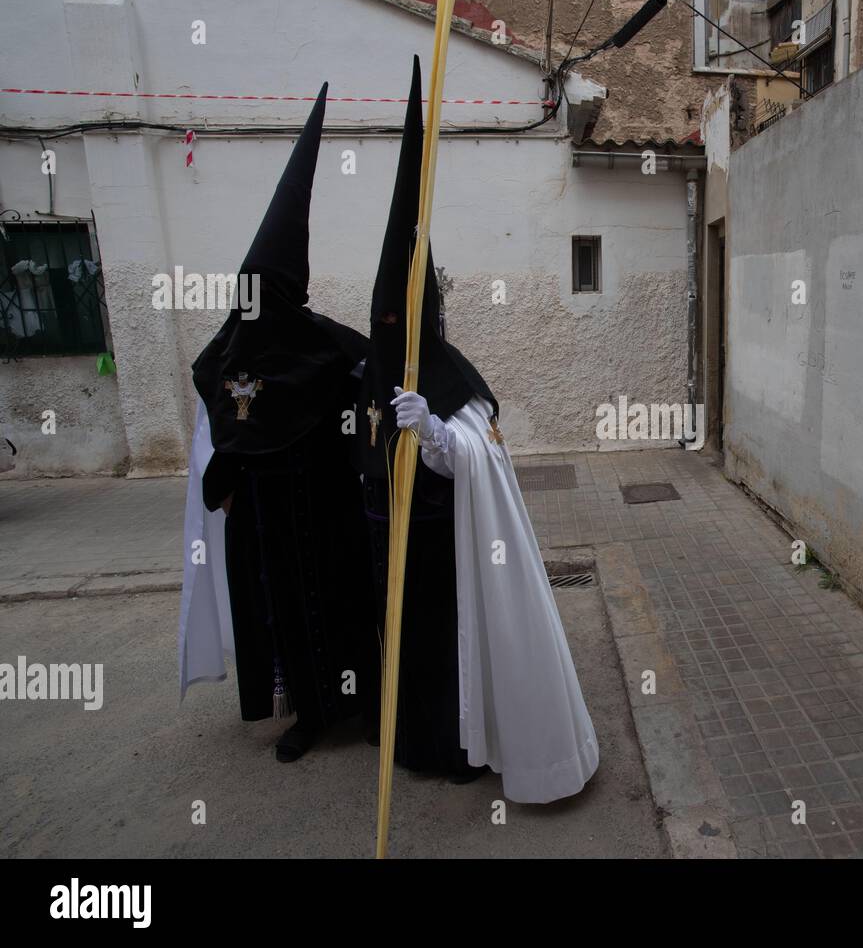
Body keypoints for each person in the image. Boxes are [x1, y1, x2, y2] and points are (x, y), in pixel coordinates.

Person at [364, 57, 598, 803]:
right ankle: (413, 741)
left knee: (447, 652)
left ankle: (467, 746)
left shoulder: (450, 371)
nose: (391, 330)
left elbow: (477, 456)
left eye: (401, 319)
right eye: (384, 320)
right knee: (403, 652)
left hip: (447, 548)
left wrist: (432, 430)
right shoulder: (372, 365)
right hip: (387, 544)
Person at [179, 83, 378, 763]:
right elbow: (220, 434)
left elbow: (373, 383)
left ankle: (366, 706)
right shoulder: (229, 353)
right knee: (289, 616)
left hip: (330, 511)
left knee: (350, 607)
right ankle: (311, 714)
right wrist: (224, 475)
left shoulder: (327, 343)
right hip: (268, 524)